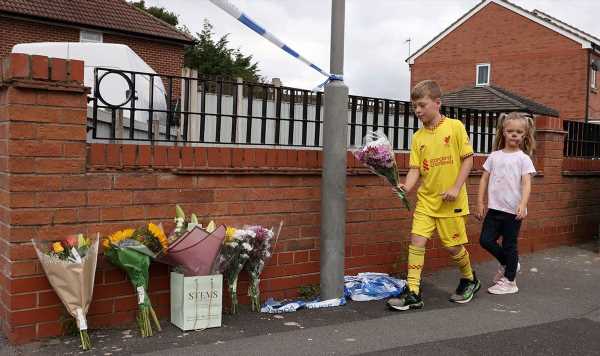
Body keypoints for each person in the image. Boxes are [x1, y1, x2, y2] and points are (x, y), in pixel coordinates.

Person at [387, 80, 480, 311]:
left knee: (452, 247)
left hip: (451, 202)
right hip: (426, 201)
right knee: (416, 241)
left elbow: (468, 160)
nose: (417, 110)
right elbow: (416, 169)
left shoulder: (455, 127)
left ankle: (470, 278)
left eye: (421, 105)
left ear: (437, 103)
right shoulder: (418, 137)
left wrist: (457, 188)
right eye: (414, 107)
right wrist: (406, 187)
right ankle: (413, 292)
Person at [476, 112, 536, 294]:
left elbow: (526, 183)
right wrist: (479, 202)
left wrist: (523, 203)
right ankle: (509, 263)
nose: (514, 134)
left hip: (513, 211)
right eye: (511, 131)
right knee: (485, 240)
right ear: (503, 132)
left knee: (510, 245)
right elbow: (484, 179)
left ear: (524, 135)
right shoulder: (494, 156)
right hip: (495, 209)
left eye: (519, 132)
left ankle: (510, 281)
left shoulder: (523, 159)